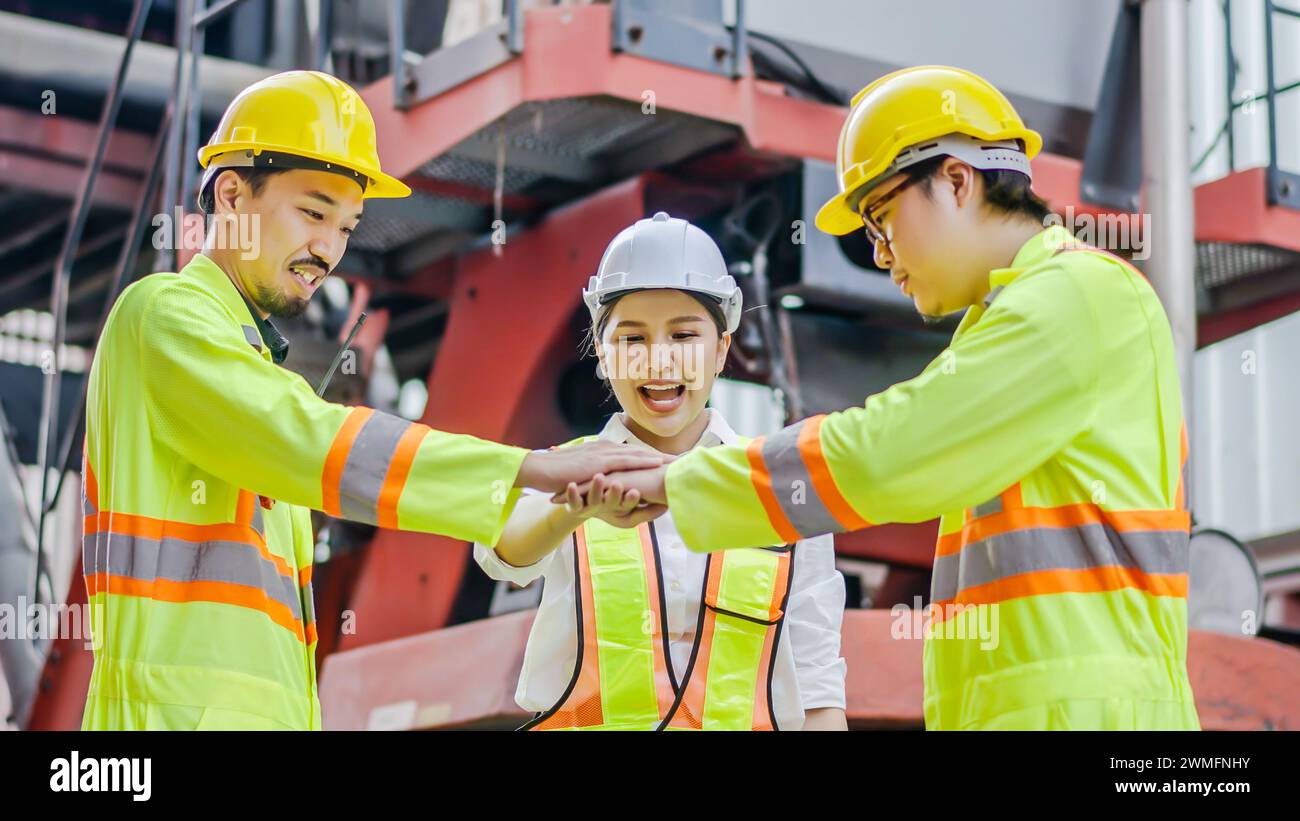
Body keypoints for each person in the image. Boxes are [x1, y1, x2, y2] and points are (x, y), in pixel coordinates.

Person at [578, 67, 1200, 731]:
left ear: (957, 180)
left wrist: (686, 479)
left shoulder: (1075, 295)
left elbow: (892, 451)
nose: (880, 255)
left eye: (880, 219)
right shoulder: (1016, 318)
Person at [80, 70, 662, 730]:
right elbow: (311, 439)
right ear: (232, 194)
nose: (328, 250)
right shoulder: (162, 316)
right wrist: (526, 467)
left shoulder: (247, 367)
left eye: (347, 226)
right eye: (313, 213)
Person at [476, 212, 848, 730]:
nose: (659, 361)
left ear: (721, 351)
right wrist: (573, 507)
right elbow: (501, 552)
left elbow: (816, 678)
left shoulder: (779, 486)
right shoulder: (561, 469)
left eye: (683, 335)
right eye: (632, 340)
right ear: (602, 357)